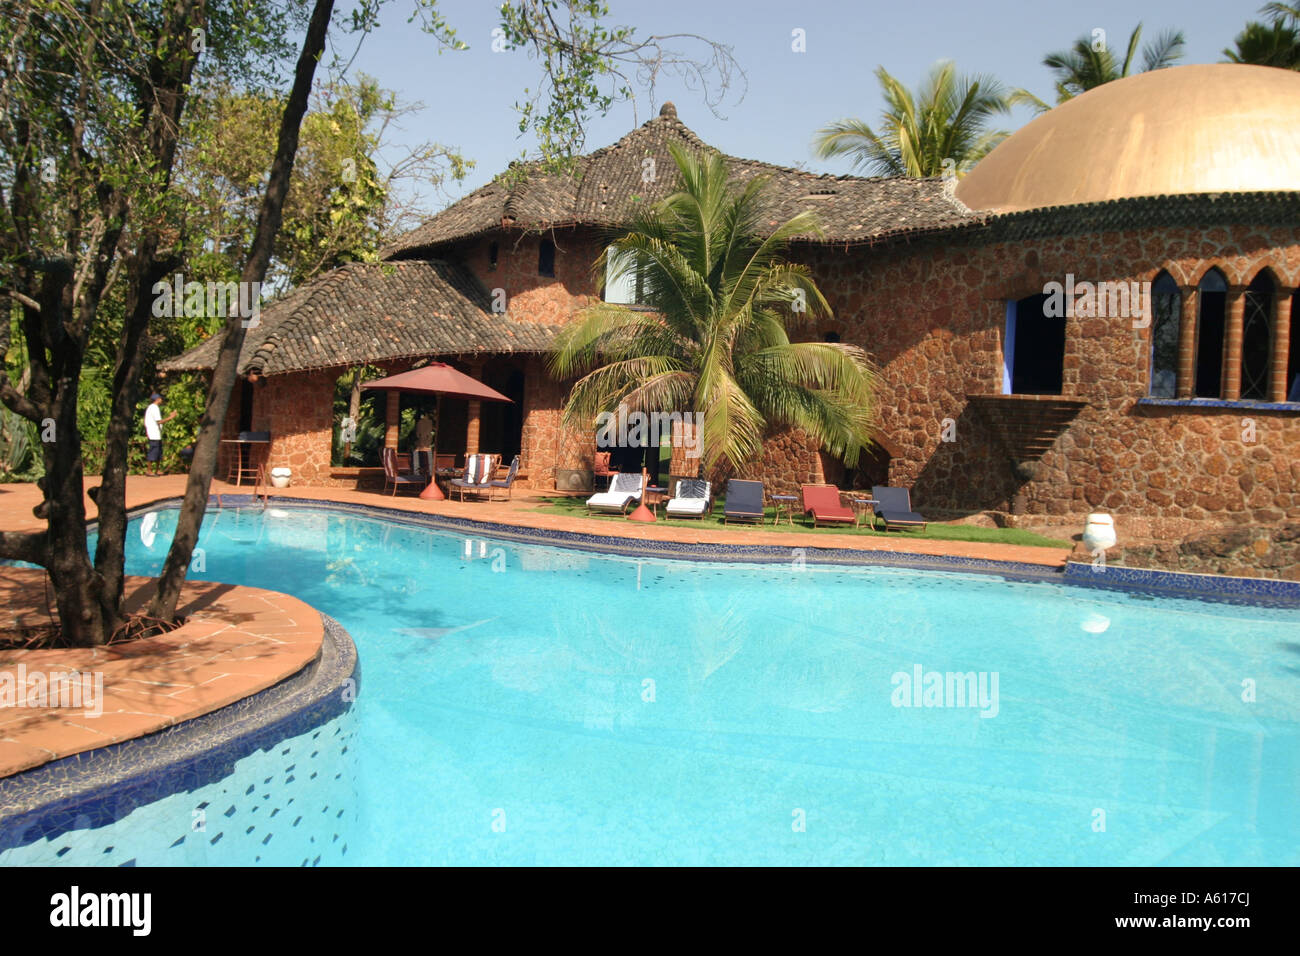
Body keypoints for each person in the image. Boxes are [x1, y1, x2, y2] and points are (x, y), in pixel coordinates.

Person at [143, 392, 177, 476]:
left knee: (158, 452)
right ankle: (149, 470)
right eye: (160, 399)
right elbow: (159, 421)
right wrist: (170, 417)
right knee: (153, 451)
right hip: (154, 434)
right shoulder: (154, 408)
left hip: (156, 434)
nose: (161, 400)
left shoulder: (152, 407)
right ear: (157, 399)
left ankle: (157, 470)